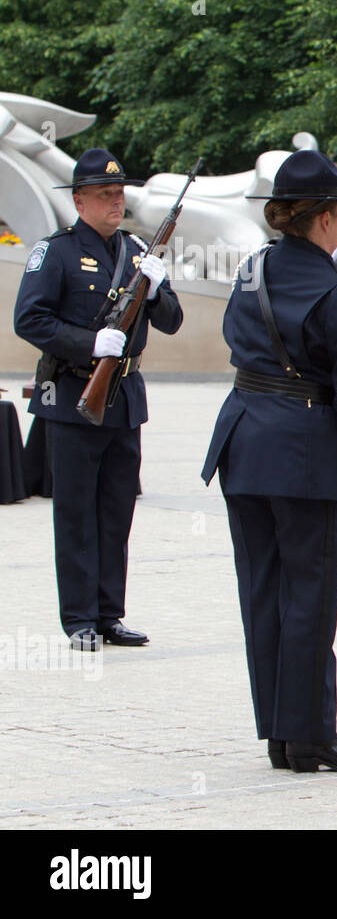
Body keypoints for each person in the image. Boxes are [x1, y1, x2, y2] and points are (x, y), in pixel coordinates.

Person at [201, 150, 337, 771]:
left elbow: (236, 339)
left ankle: (280, 733)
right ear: (331, 218)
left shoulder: (253, 272)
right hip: (309, 455)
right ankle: (310, 735)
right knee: (309, 597)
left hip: (245, 443)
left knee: (264, 593)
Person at [13, 148, 182, 651]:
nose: (116, 201)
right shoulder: (56, 252)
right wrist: (88, 344)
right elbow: (30, 319)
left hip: (124, 398)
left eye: (120, 193)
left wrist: (155, 290)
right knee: (76, 513)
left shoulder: (136, 251)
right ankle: (80, 618)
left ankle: (109, 614)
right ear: (80, 201)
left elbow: (171, 320)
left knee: (115, 511)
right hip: (74, 398)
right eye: (105, 194)